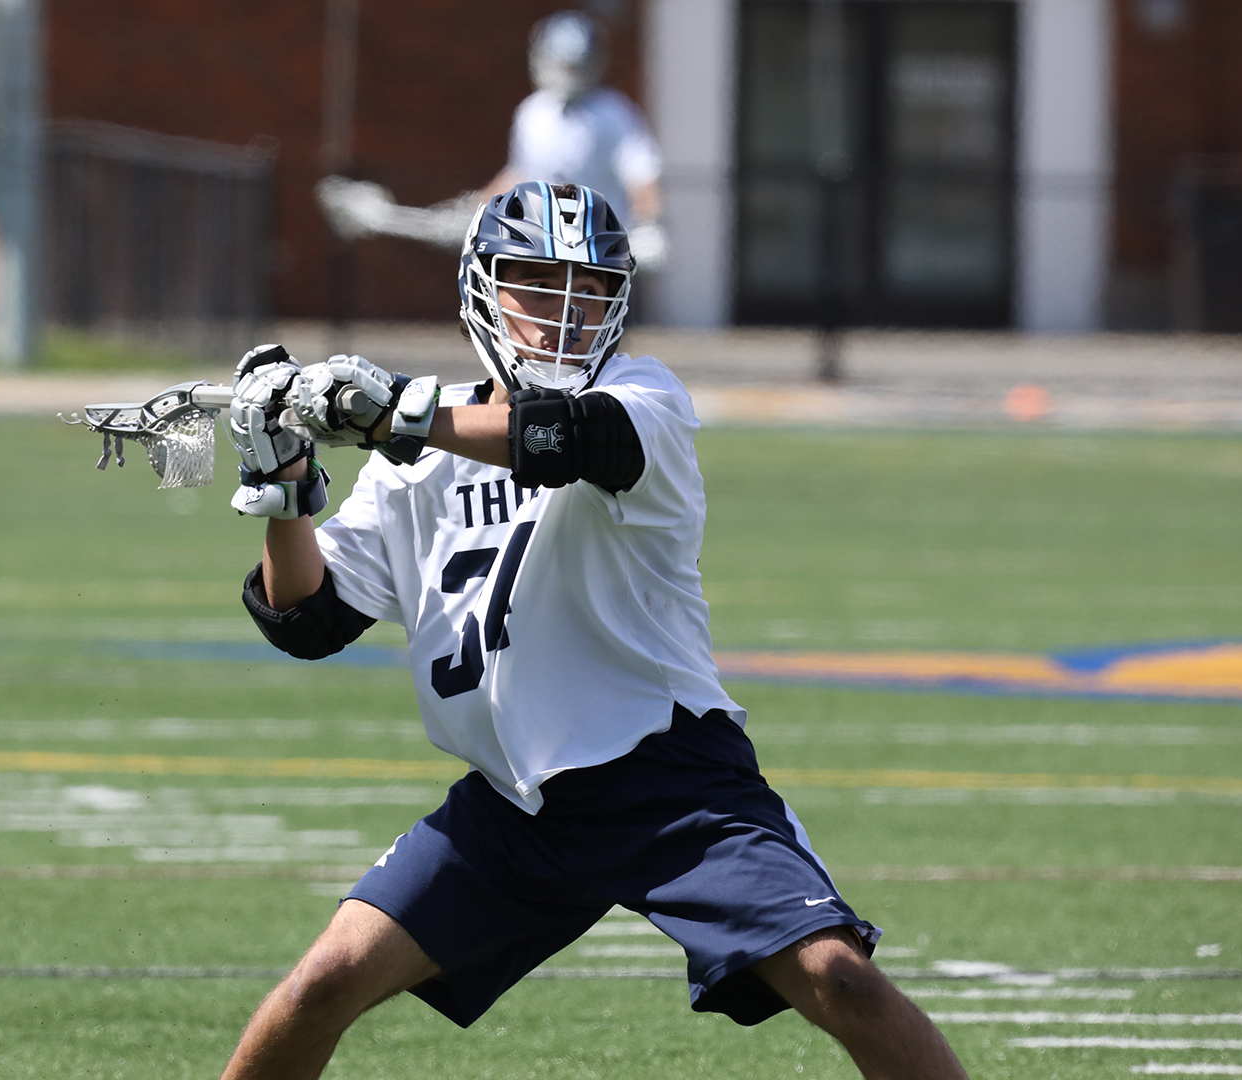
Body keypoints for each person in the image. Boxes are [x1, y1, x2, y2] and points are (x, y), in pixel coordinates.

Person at [218, 181, 968, 1080]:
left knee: (841, 981)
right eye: (535, 282)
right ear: (479, 288)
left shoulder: (642, 396)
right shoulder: (412, 468)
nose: (563, 313)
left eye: (591, 288)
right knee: (320, 985)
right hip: (512, 803)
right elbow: (307, 620)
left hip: (667, 780)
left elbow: (565, 439)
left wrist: (398, 413)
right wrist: (286, 486)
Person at [480, 11, 666, 265]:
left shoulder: (613, 112)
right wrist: (478, 208)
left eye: (576, 66)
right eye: (562, 65)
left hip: (597, 249)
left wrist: (648, 226)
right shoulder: (532, 112)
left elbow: (642, 177)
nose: (568, 74)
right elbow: (521, 173)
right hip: (538, 246)